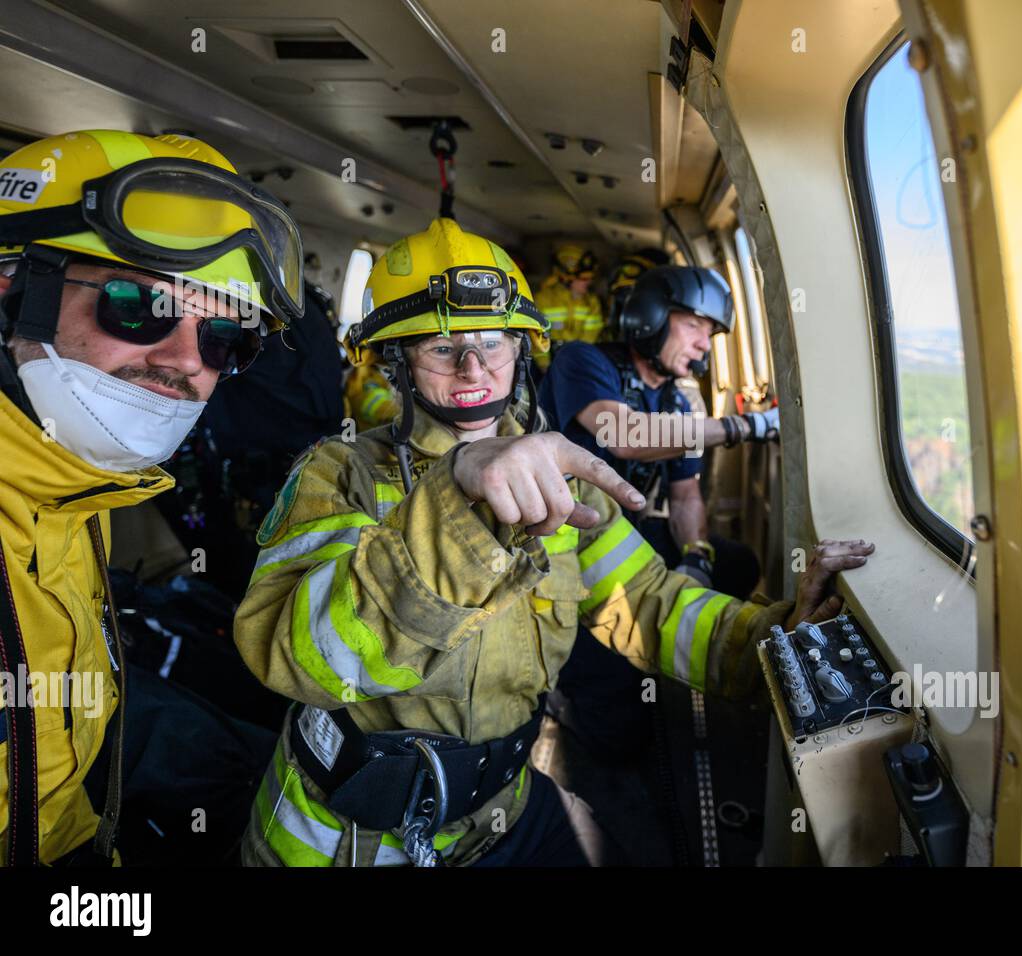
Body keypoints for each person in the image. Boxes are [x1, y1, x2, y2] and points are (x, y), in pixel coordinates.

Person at [233, 218, 872, 866]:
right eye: (442, 348)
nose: (473, 368)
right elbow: (295, 657)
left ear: (522, 352)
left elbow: (649, 604)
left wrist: (783, 640)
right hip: (345, 836)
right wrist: (455, 498)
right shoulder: (335, 473)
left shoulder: (561, 482)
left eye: (494, 344)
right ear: (398, 361)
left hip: (501, 806)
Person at [0, 128, 304, 866]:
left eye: (223, 338)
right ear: (11, 294)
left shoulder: (80, 494)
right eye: (138, 306)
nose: (184, 364)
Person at [536, 264, 780, 757]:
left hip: (630, 534)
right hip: (561, 545)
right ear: (649, 316)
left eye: (710, 334)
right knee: (617, 732)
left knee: (737, 564)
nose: (705, 345)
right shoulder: (582, 363)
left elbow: (687, 495)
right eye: (695, 326)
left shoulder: (675, 405)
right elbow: (622, 435)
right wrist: (743, 428)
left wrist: (697, 555)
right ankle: (565, 698)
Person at [532, 242, 602, 370]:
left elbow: (589, 339)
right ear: (566, 278)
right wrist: (544, 366)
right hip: (548, 362)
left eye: (590, 278)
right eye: (584, 278)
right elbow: (536, 336)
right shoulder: (543, 299)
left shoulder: (592, 303)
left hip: (579, 361)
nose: (589, 282)